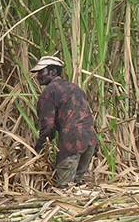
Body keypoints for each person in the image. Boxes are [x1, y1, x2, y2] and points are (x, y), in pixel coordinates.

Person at [30, 55, 98, 187]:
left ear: (53, 72)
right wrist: (96, 145)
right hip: (90, 140)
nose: (38, 76)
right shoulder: (76, 88)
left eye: (41, 72)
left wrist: (38, 149)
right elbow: (87, 116)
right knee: (77, 184)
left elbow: (48, 126)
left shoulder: (49, 92)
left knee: (65, 188)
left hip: (71, 142)